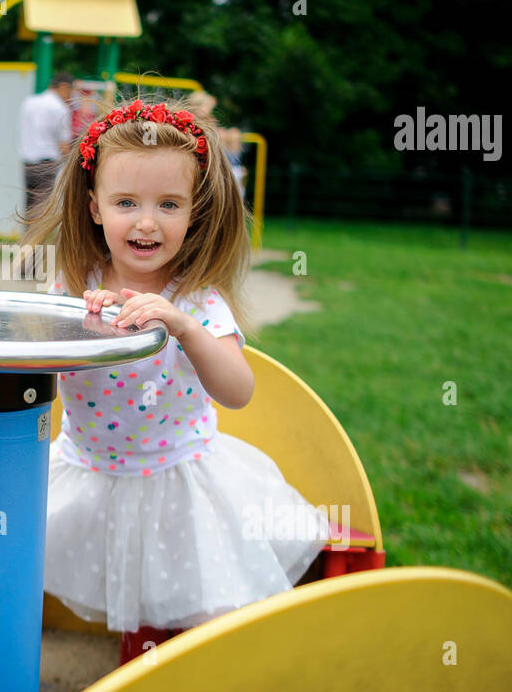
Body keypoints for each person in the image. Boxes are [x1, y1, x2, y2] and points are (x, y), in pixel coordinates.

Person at [21, 94, 327, 662]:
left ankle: (182, 673)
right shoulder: (71, 289)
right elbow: (38, 376)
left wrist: (184, 328)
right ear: (94, 207)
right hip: (90, 473)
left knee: (198, 609)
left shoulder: (197, 301)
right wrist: (76, 331)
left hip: (178, 482)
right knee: (113, 594)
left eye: (168, 204)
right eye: (127, 201)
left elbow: (239, 391)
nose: (145, 221)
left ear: (194, 213)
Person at [17, 71, 74, 215]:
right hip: (47, 164)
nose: (70, 96)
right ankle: (38, 237)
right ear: (63, 86)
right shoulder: (60, 108)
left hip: (27, 162)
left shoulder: (28, 102)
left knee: (29, 207)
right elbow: (63, 144)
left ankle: (28, 237)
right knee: (42, 207)